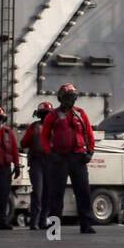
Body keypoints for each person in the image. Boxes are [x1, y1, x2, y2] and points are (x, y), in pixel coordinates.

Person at [40, 83, 97, 234]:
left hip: (78, 157)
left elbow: (89, 134)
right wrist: (49, 153)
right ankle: (54, 228)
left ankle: (86, 225)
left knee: (83, 192)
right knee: (56, 194)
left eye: (71, 97)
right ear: (61, 98)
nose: (69, 100)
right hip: (59, 158)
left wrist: (90, 152)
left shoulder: (80, 113)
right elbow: (44, 136)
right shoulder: (52, 115)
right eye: (67, 97)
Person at [21, 102, 53, 230]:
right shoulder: (34, 127)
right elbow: (24, 143)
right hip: (37, 162)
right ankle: (34, 222)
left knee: (47, 193)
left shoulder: (55, 127)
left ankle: (42, 221)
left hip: (50, 162)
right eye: (44, 114)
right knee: (38, 192)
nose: (45, 116)